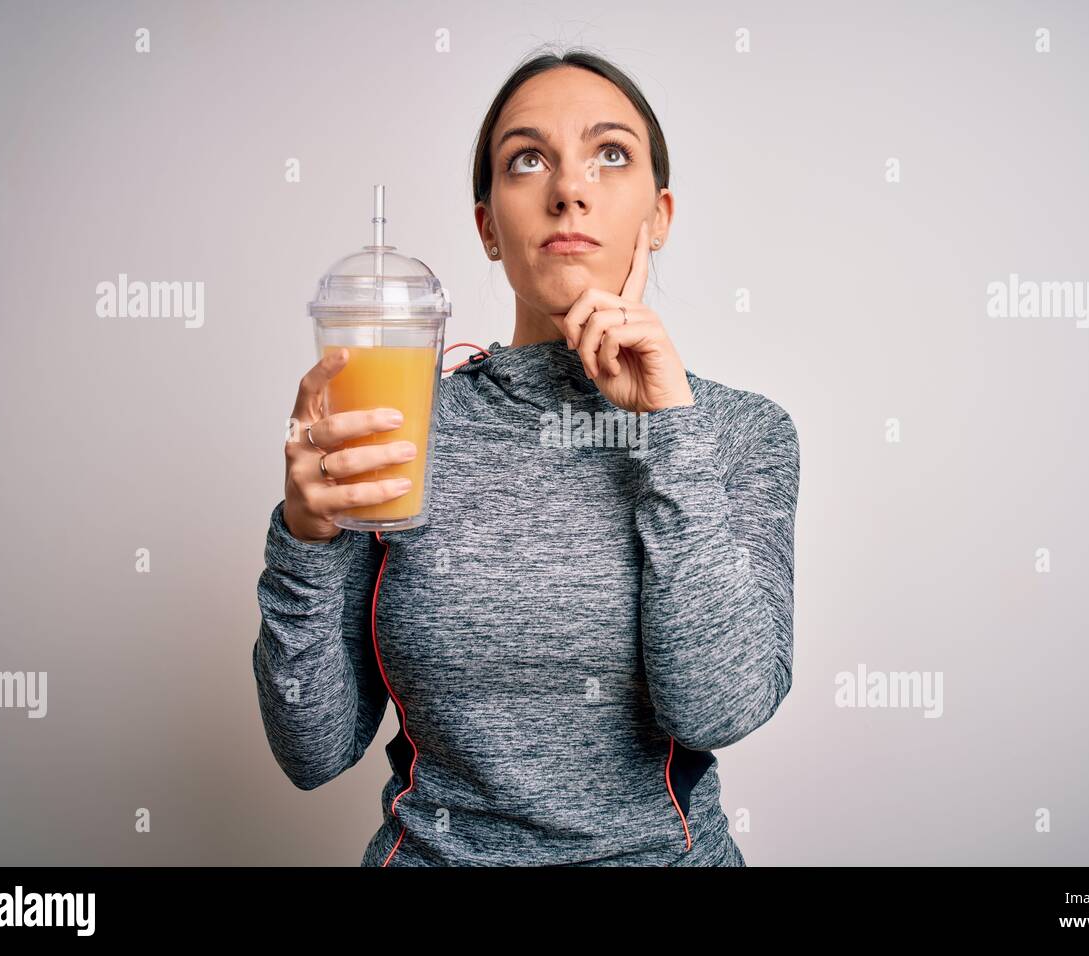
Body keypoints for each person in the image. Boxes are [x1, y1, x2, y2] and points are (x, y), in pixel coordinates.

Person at [252, 47, 801, 866]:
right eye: (527, 159)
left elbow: (716, 707)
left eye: (610, 154)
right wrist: (304, 540)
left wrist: (668, 428)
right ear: (487, 228)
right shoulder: (399, 425)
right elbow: (313, 750)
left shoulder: (736, 432)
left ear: (660, 215)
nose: (568, 188)